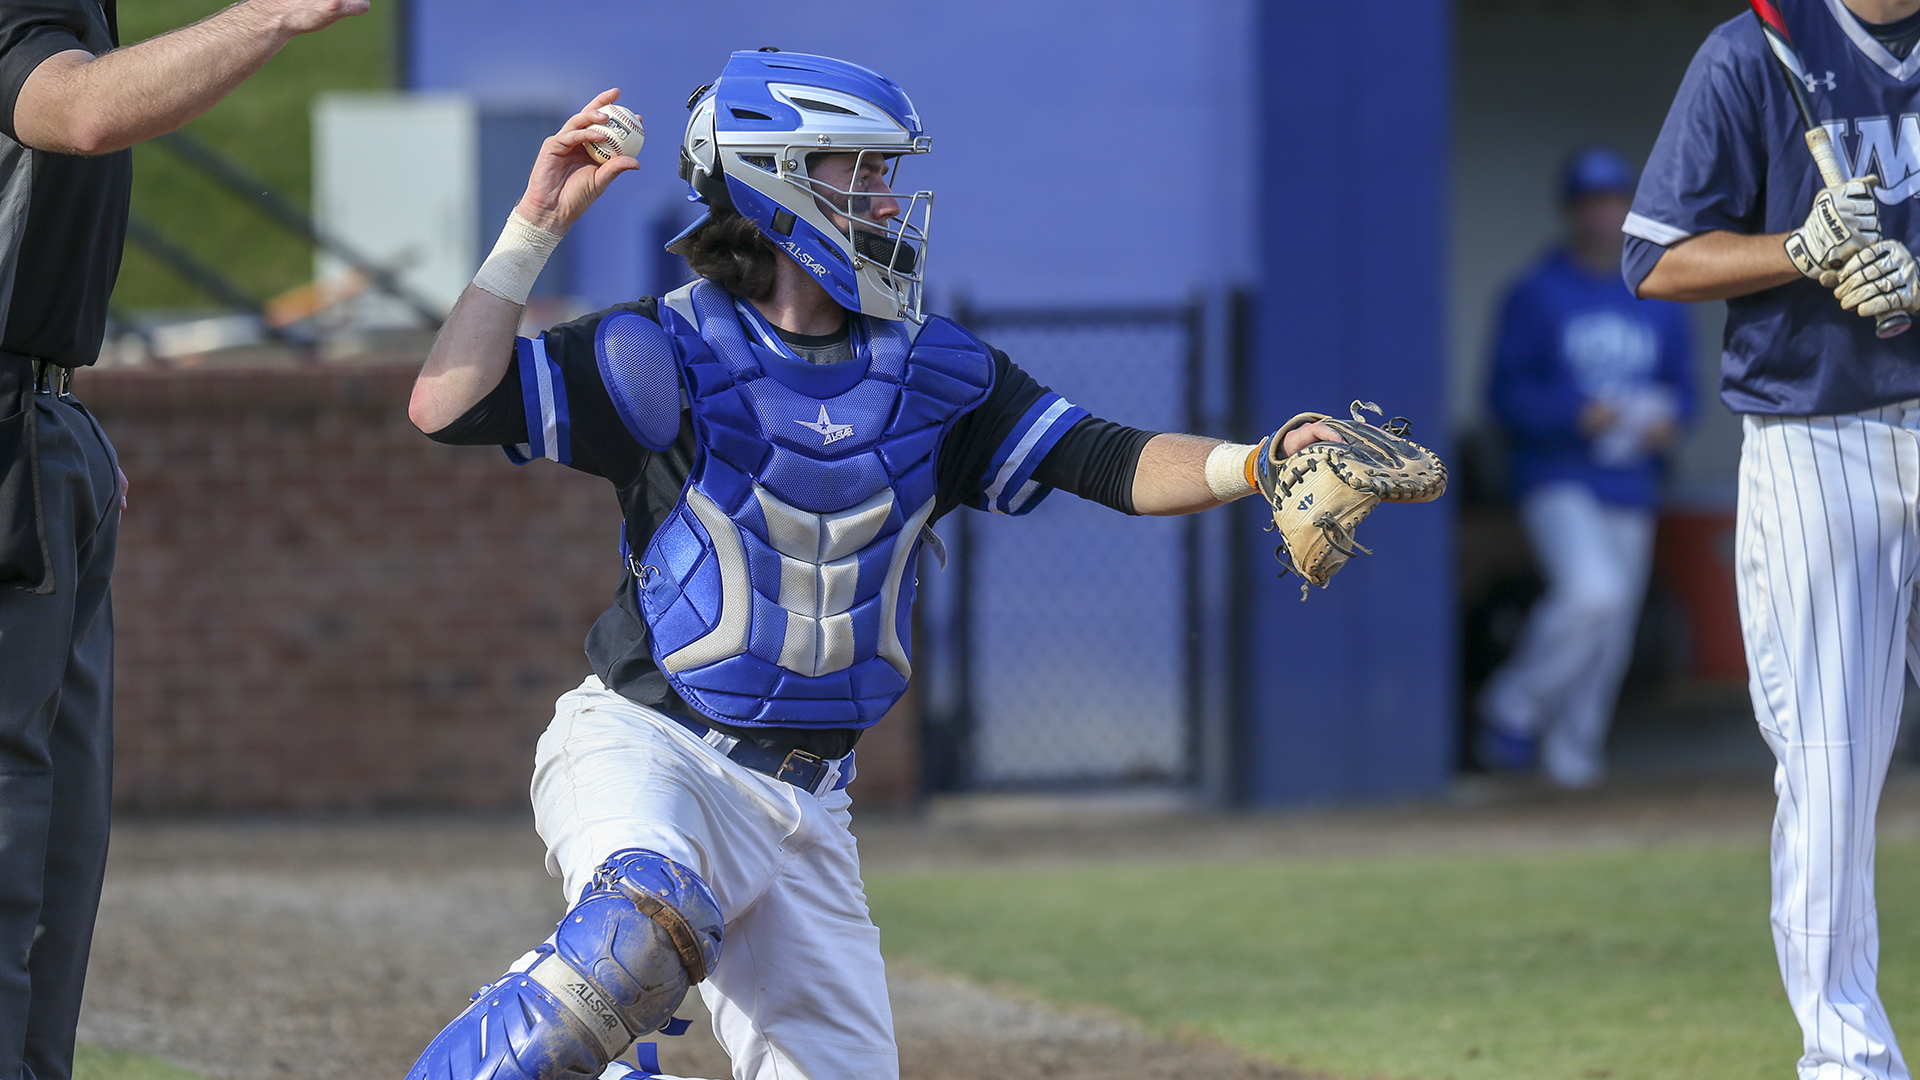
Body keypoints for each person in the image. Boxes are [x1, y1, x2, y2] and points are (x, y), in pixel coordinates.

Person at [401, 50, 1349, 1080]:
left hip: (810, 802)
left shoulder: (937, 374)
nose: (890, 198)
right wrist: (535, 224)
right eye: (861, 170)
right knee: (637, 938)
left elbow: (1107, 458)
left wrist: (1257, 462)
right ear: (775, 180)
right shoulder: (660, 349)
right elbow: (447, 405)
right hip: (650, 747)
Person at [0, 3, 365, 1079]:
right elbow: (78, 109)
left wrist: (58, 417)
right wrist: (279, 15)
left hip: (38, 418)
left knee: (58, 842)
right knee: (14, 827)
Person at [1629, 1, 1920, 1077]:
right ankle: (1847, 1060)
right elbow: (1655, 257)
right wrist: (1797, 251)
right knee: (1834, 768)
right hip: (1816, 437)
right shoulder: (1748, 50)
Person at [1475, 146, 1695, 789]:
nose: (1602, 213)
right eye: (1590, 202)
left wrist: (1668, 420)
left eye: (1613, 200)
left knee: (1613, 632)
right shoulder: (1537, 291)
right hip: (1558, 475)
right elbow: (1503, 397)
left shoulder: (1656, 290)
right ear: (1571, 211)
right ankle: (1511, 708)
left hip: (1632, 477)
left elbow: (1682, 388)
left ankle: (1573, 762)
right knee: (1591, 593)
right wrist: (1575, 412)